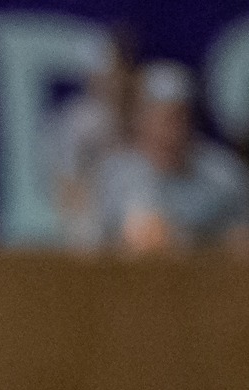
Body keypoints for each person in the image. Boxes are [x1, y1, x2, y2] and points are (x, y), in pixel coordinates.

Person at [93, 60, 249, 253]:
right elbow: (134, 238)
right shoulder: (115, 174)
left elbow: (242, 237)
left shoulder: (224, 172)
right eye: (158, 119)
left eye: (179, 118)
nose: (171, 132)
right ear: (139, 122)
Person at [45, 33, 138, 250]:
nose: (113, 81)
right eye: (105, 75)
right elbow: (68, 185)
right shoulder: (80, 121)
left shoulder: (135, 112)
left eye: (117, 73)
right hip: (88, 223)